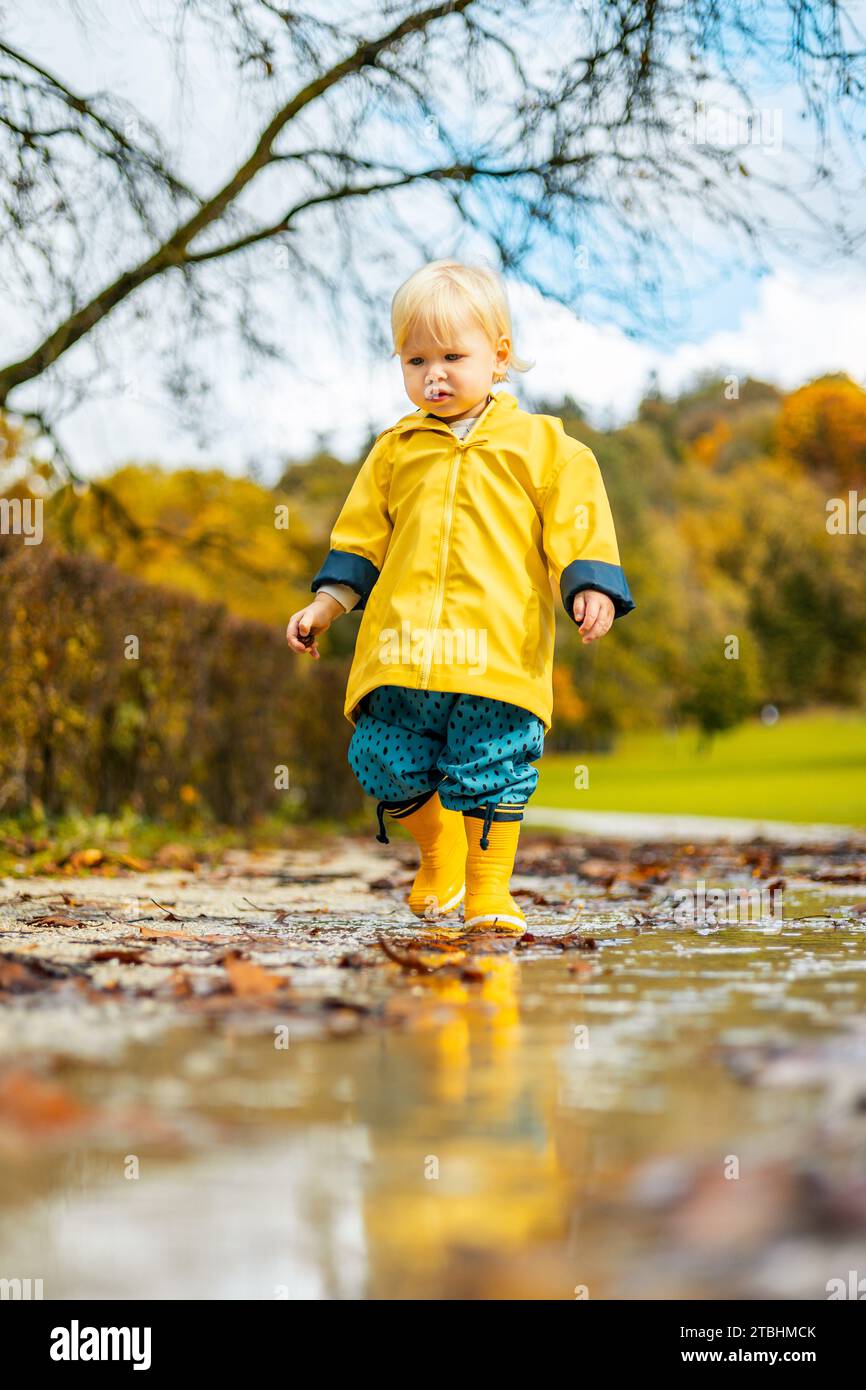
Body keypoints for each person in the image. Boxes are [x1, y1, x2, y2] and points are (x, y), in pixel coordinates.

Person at [287, 259, 635, 931]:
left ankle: (488, 891)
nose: (433, 374)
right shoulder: (394, 449)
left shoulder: (542, 446)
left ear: (499, 357)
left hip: (495, 654)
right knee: (379, 755)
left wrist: (590, 583)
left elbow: (579, 517)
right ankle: (439, 851)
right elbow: (360, 540)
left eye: (452, 355)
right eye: (415, 360)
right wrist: (325, 606)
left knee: (490, 766)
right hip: (402, 652)